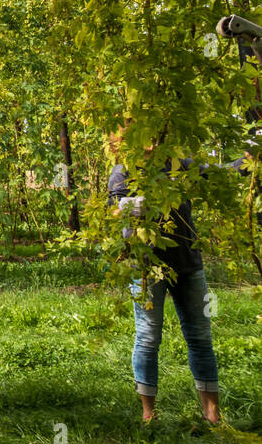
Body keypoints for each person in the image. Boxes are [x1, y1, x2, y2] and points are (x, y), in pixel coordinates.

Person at [106, 126, 250, 424]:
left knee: (200, 337)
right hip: (145, 266)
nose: (147, 141)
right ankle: (149, 415)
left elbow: (218, 173)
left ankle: (212, 414)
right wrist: (137, 205)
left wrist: (247, 160)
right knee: (148, 337)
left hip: (187, 263)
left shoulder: (177, 165)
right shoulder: (122, 172)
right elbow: (114, 213)